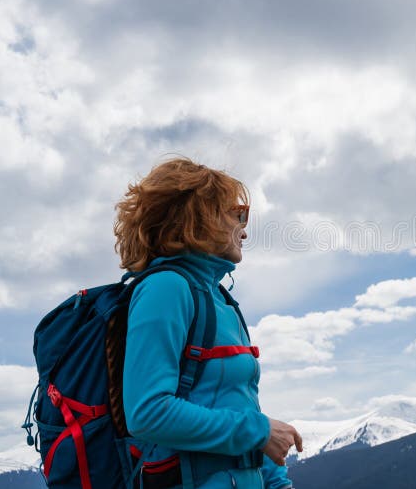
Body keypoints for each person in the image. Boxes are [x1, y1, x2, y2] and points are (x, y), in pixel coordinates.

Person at [114, 157, 301, 488]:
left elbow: (241, 406)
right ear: (197, 218)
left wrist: (277, 483)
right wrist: (260, 431)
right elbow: (147, 412)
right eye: (237, 214)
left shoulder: (221, 300)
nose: (244, 229)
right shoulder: (166, 288)